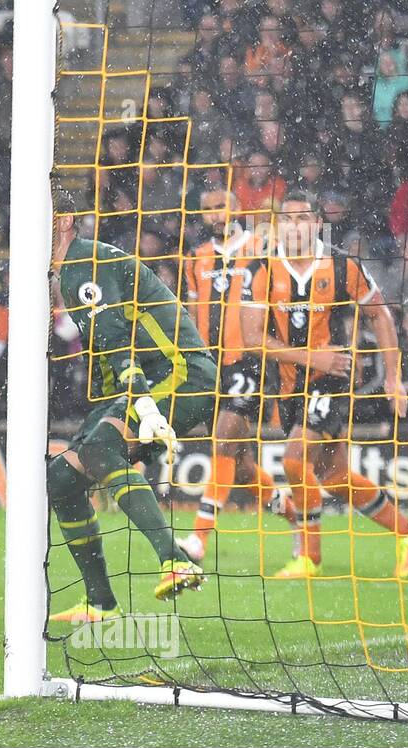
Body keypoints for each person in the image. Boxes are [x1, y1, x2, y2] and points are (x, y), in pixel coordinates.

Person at [45, 190, 219, 623]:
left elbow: (116, 338)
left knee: (102, 448)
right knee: (62, 479)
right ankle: (100, 602)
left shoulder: (85, 265)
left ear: (64, 221)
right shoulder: (72, 269)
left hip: (181, 374)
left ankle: (176, 559)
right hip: (146, 382)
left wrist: (142, 400)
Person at [240, 193, 408, 579]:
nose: (295, 225)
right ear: (278, 225)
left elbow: (380, 316)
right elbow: (252, 338)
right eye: (287, 218)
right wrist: (311, 357)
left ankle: (310, 557)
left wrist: (393, 378)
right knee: (334, 476)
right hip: (292, 383)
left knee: (294, 458)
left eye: (304, 218)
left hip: (334, 376)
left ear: (317, 223)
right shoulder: (260, 268)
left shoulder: (343, 265)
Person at [176, 189, 300, 561]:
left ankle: (198, 538)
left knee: (223, 437)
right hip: (210, 366)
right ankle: (296, 518)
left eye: (221, 206)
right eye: (208, 208)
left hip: (250, 361)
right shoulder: (195, 259)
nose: (215, 214)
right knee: (242, 467)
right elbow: (193, 313)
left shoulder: (263, 249)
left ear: (237, 209)